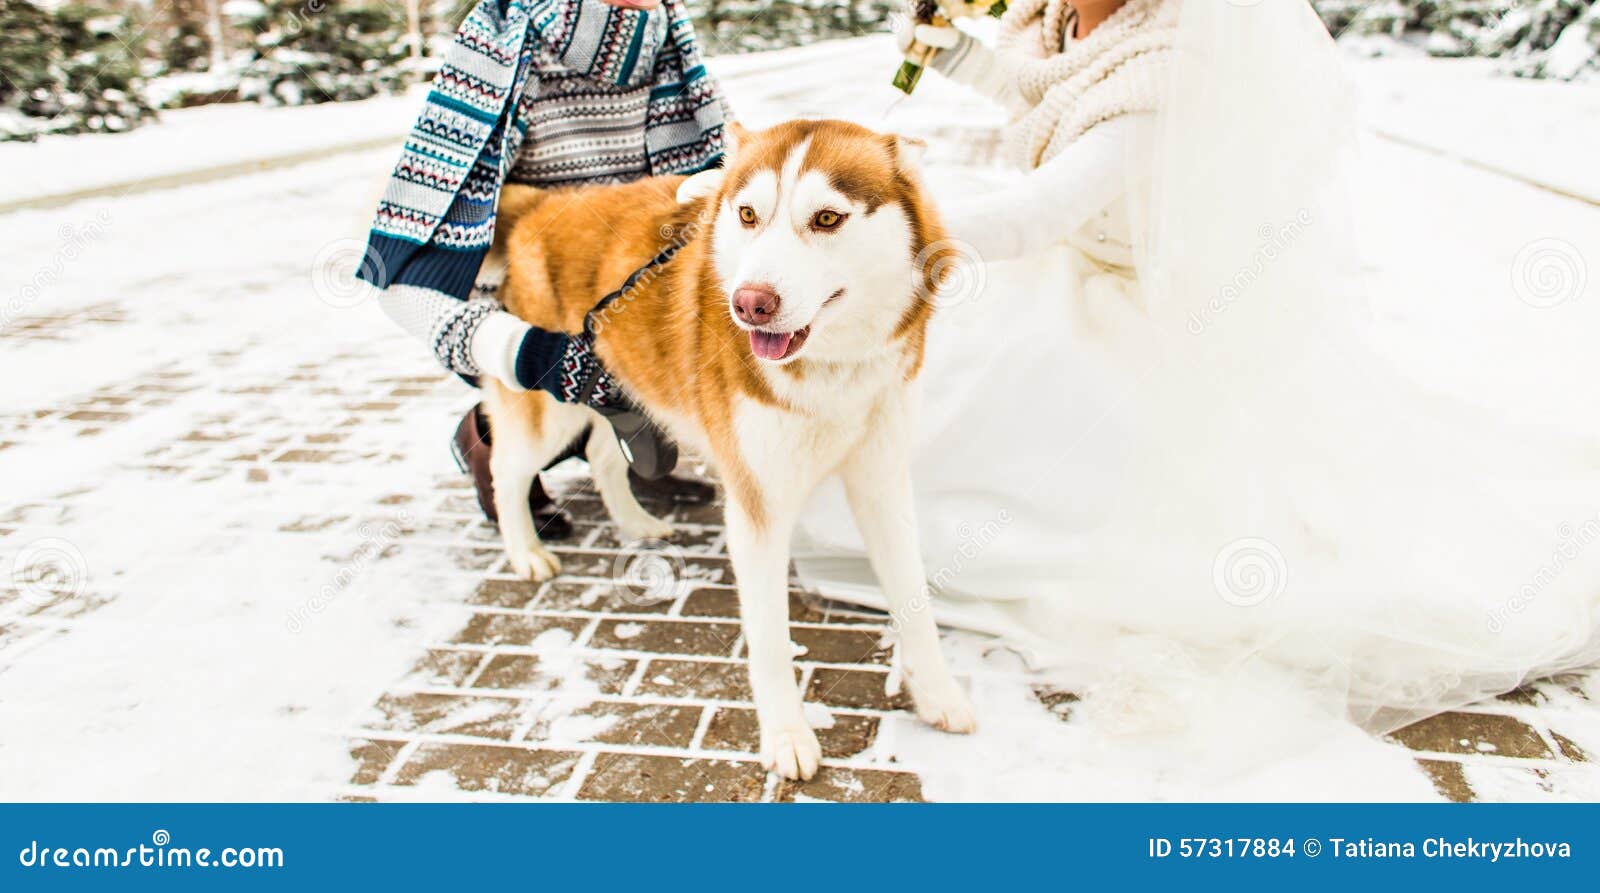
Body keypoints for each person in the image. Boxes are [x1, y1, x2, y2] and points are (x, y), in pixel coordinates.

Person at [795, 0, 1600, 738]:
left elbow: (1039, 212)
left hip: (1138, 305)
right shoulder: (1066, 19)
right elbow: (1056, 97)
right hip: (1068, 267)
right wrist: (958, 58)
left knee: (987, 404)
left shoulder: (1171, 68)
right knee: (931, 375)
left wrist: (860, 243)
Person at [359, 0, 727, 535]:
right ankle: (486, 438)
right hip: (532, 289)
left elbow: (718, 181)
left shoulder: (671, 44)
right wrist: (521, 351)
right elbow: (407, 268)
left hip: (628, 286)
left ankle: (628, 440)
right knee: (541, 420)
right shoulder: (505, 47)